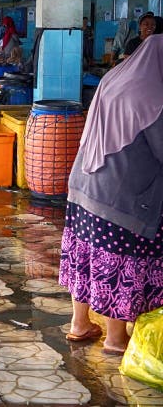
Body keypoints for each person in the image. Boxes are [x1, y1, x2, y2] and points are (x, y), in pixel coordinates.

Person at [59, 34, 163, 356]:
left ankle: (80, 324)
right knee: (122, 261)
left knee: (88, 256)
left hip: (83, 185)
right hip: (119, 198)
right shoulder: (153, 96)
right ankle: (116, 339)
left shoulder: (114, 77)